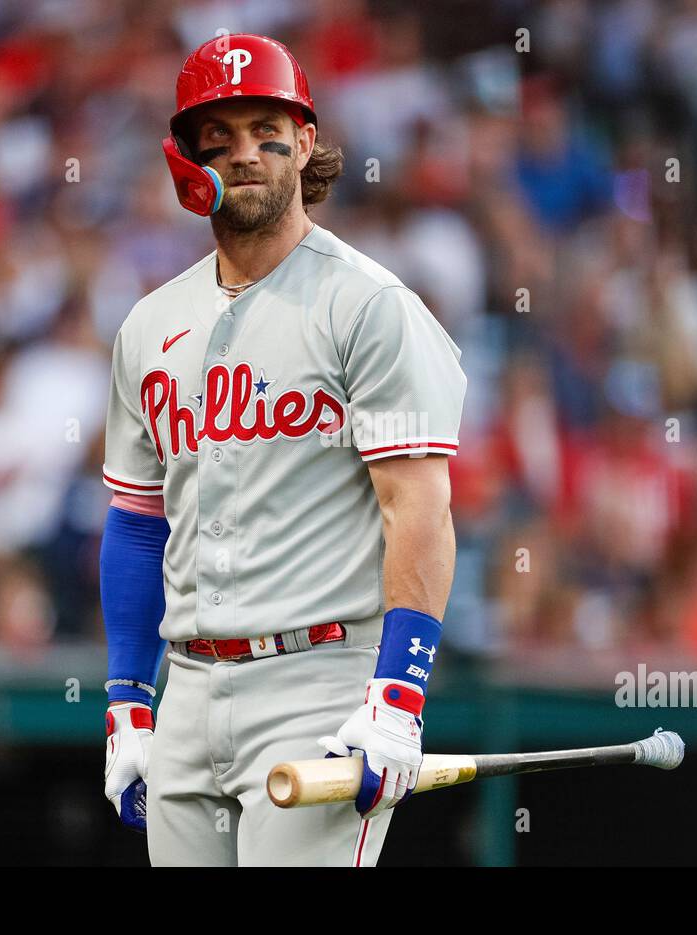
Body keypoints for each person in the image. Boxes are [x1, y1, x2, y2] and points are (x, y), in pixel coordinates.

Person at [98, 34, 466, 866]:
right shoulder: (150, 326)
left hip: (320, 680)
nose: (247, 154)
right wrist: (128, 700)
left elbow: (419, 506)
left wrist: (398, 696)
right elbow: (136, 521)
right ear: (186, 161)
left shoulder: (368, 305)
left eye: (268, 130)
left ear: (306, 141)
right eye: (218, 138)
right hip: (187, 686)